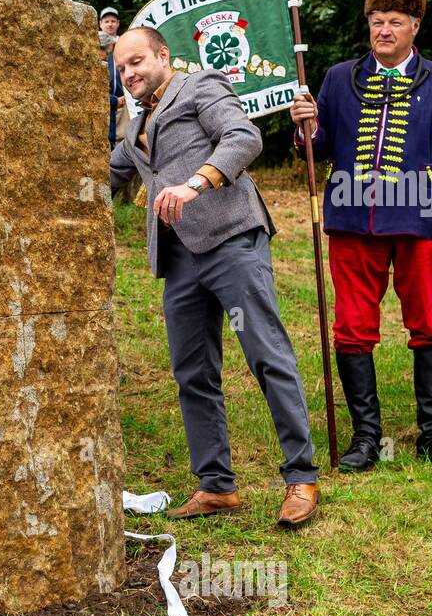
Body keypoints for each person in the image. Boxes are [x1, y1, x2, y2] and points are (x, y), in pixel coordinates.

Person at [109, 26, 320, 528]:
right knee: (192, 372)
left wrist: (195, 183)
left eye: (137, 61)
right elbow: (105, 173)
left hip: (231, 239)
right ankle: (216, 486)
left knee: (266, 354)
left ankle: (301, 477)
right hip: (178, 258)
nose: (129, 74)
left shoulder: (200, 84)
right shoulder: (130, 125)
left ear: (163, 55)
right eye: (120, 69)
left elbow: (243, 137)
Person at [291, 0, 432, 470]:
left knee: (431, 323)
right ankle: (365, 438)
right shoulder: (337, 77)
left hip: (420, 221)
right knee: (352, 327)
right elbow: (321, 145)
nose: (385, 30)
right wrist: (307, 127)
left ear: (415, 27)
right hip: (353, 221)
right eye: (377, 22)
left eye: (395, 22)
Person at [100, 7, 123, 148]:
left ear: (118, 23)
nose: (110, 24)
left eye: (113, 21)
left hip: (122, 100)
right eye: (106, 21)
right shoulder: (92, 41)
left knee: (122, 137)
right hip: (105, 99)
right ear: (100, 23)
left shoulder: (124, 42)